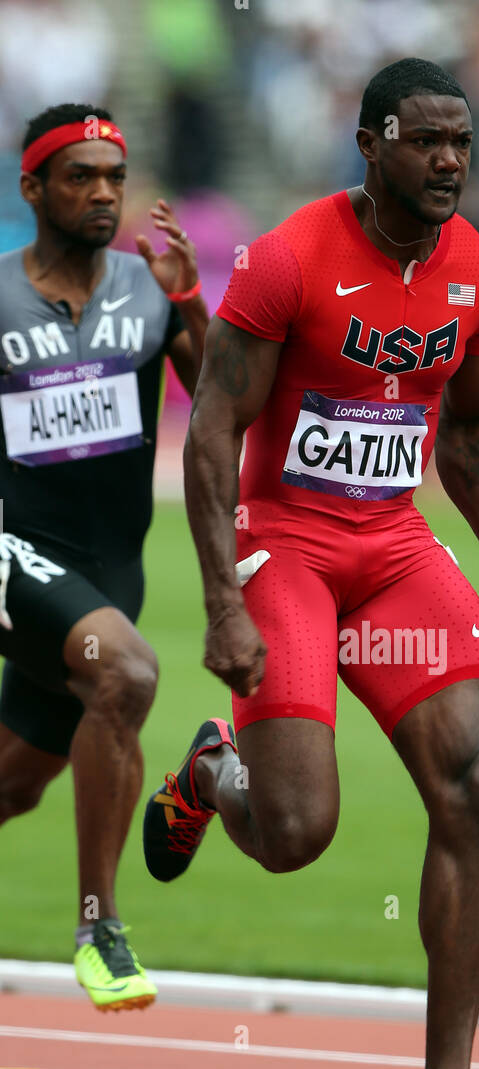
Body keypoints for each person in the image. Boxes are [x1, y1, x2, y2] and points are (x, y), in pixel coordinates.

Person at [144, 59, 479, 1069]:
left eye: (462, 141)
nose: (451, 162)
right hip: (288, 544)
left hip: (394, 547)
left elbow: (465, 436)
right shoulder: (287, 260)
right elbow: (215, 432)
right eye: (426, 141)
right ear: (370, 145)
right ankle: (208, 775)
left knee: (469, 785)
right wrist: (224, 597)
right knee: (293, 833)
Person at [0, 103, 207, 1010]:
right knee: (125, 673)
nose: (102, 193)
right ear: (33, 187)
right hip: (11, 549)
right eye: (79, 176)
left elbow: (219, 405)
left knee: (13, 782)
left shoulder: (150, 287)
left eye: (115, 178)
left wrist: (191, 302)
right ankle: (100, 927)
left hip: (107, 569)